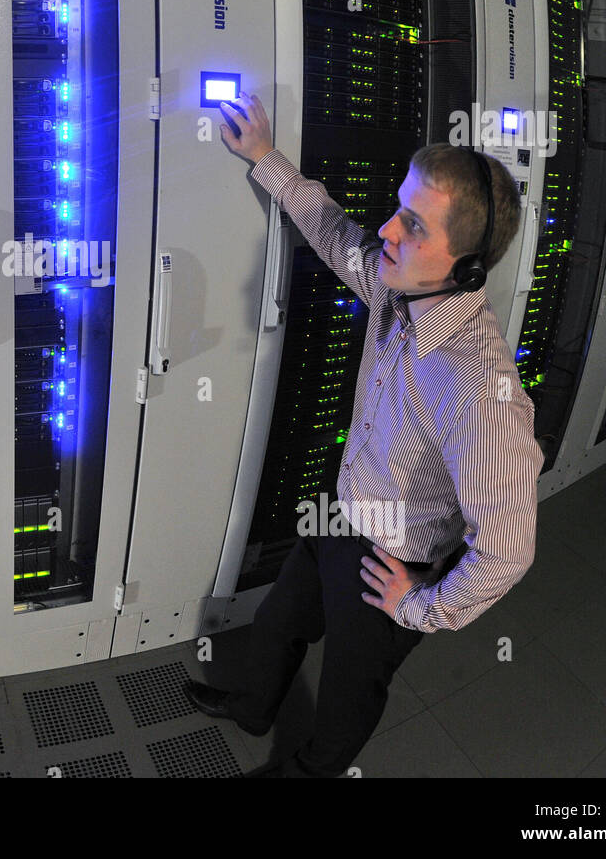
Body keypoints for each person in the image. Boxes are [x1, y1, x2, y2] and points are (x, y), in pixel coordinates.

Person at [183, 91, 544, 778]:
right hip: (341, 511)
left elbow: (507, 548)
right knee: (279, 623)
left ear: (466, 267)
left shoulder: (480, 386)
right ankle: (255, 705)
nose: (386, 229)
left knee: (349, 693)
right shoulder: (397, 283)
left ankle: (312, 771)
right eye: (397, 207)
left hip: (390, 564)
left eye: (412, 223)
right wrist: (264, 155)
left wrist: (423, 606)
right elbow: (333, 232)